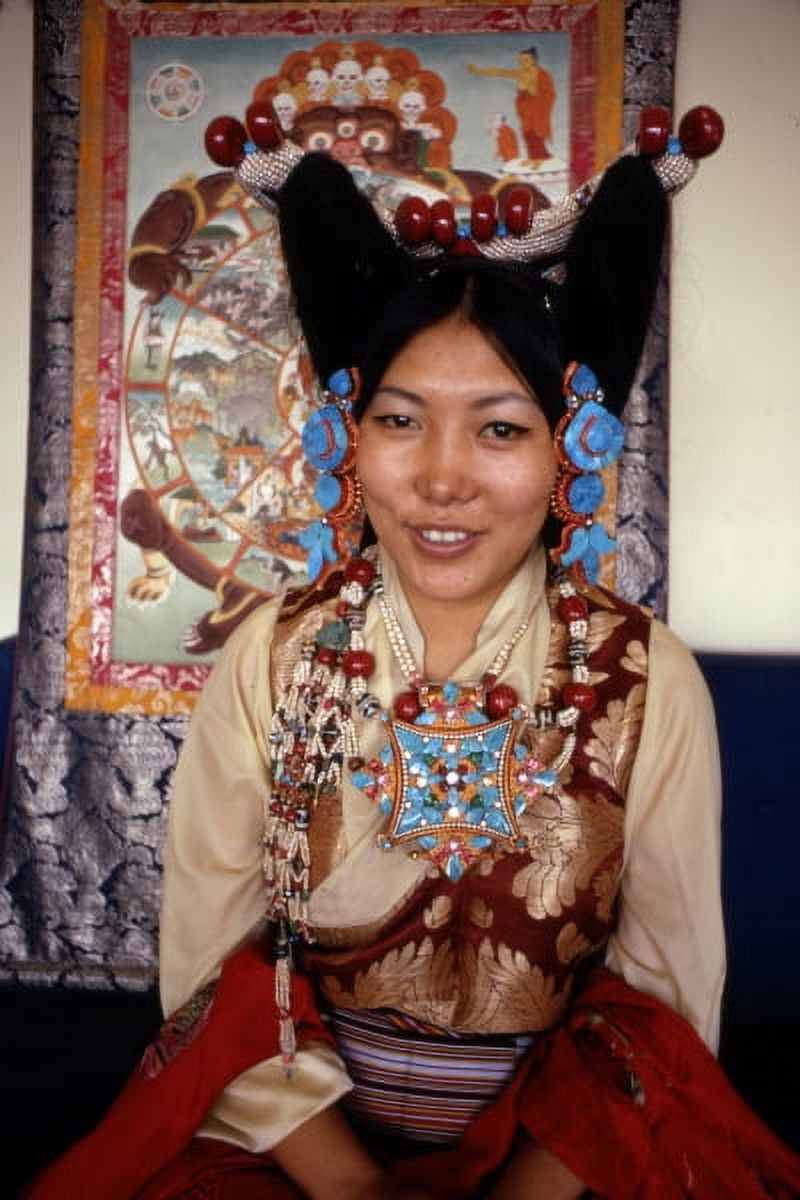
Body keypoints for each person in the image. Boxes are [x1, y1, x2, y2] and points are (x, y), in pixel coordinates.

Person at [25, 107, 800, 1200]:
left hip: (559, 1156)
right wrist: (353, 1191)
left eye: (497, 428)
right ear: (346, 433)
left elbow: (659, 996)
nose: (441, 481)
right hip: (296, 1152)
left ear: (569, 449)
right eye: (399, 421)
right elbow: (212, 974)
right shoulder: (276, 658)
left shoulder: (642, 676)